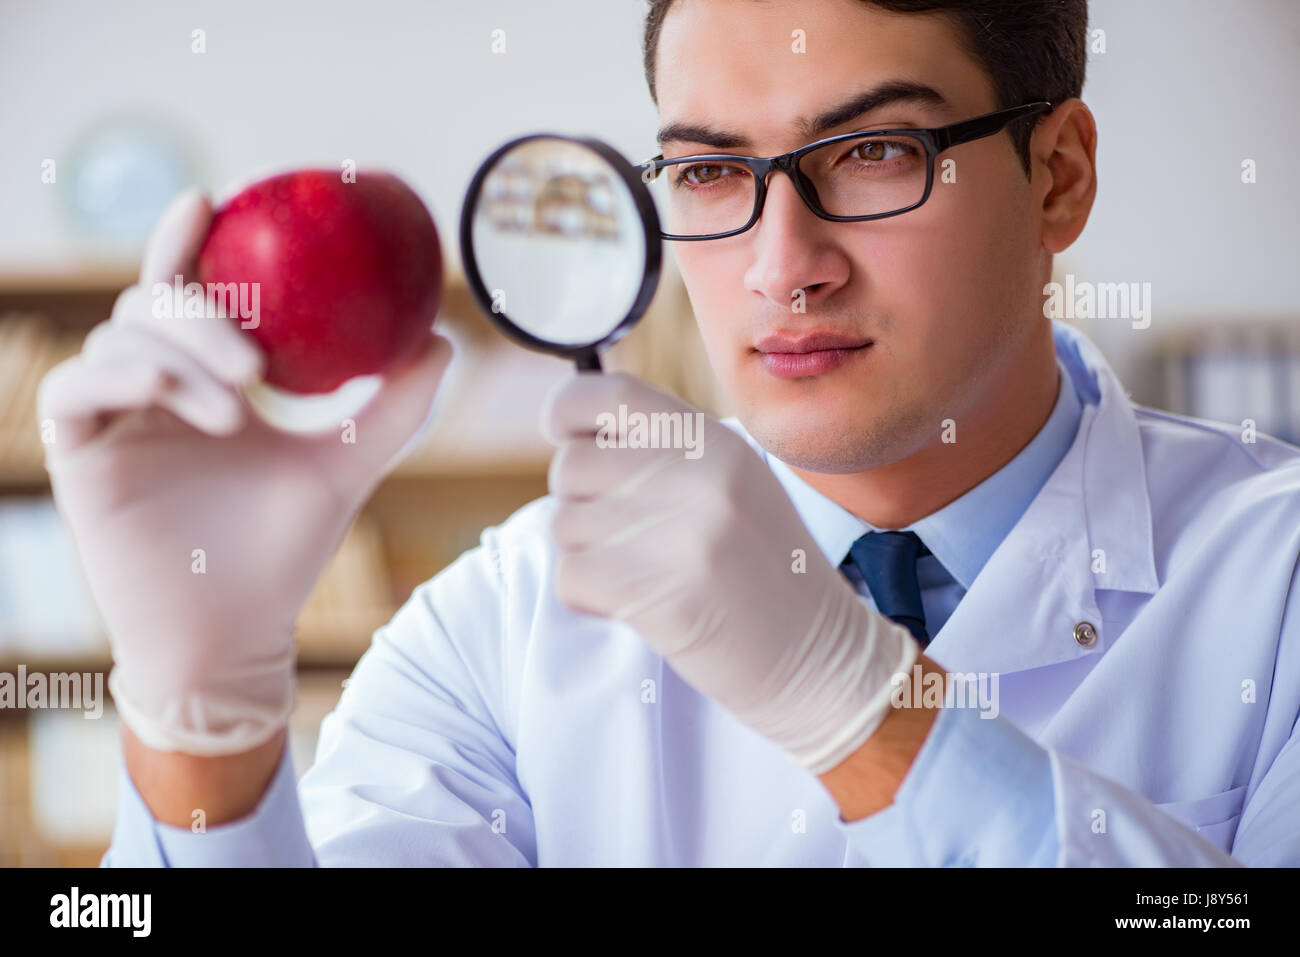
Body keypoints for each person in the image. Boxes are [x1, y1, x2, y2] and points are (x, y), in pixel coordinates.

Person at [43, 0, 1298, 867]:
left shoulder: (1274, 581)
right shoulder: (499, 625)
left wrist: (864, 714)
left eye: (872, 153)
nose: (780, 267)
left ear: (1058, 177)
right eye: (707, 173)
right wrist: (200, 731)